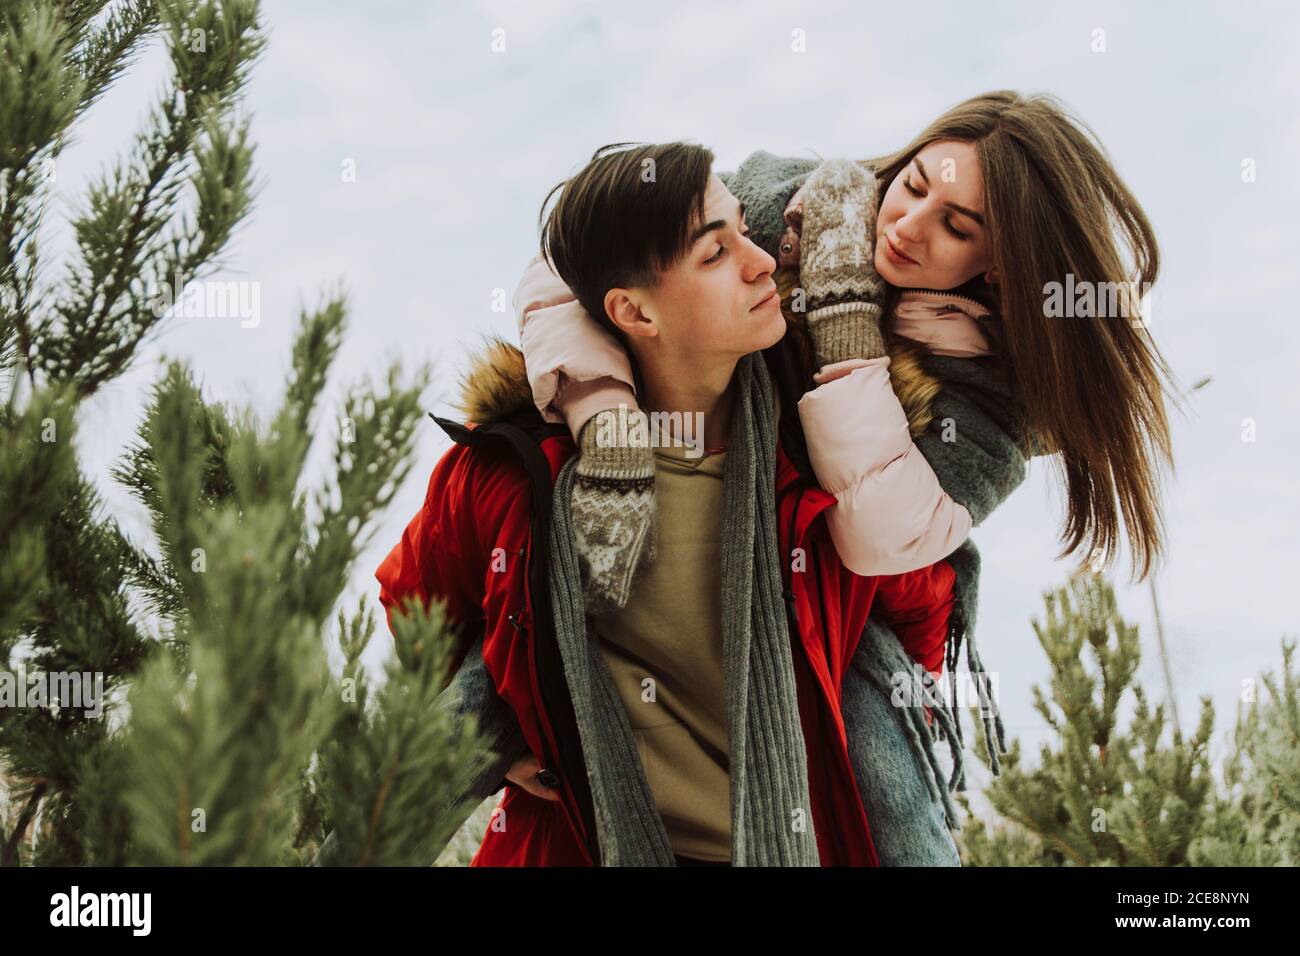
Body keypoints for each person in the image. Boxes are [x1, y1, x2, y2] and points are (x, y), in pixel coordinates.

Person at [512, 91, 1176, 864]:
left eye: (957, 227)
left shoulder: (996, 395)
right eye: (917, 186)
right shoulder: (794, 203)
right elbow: (575, 258)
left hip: (851, 614)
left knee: (880, 781)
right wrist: (606, 416)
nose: (908, 226)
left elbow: (876, 537)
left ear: (1002, 269)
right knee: (533, 535)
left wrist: (845, 323)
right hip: (701, 517)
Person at [375, 141, 964, 865]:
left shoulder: (814, 467)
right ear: (634, 311)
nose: (758, 261)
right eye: (714, 255)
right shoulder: (519, 476)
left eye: (743, 231)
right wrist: (513, 739)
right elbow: (418, 604)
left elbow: (921, 618)